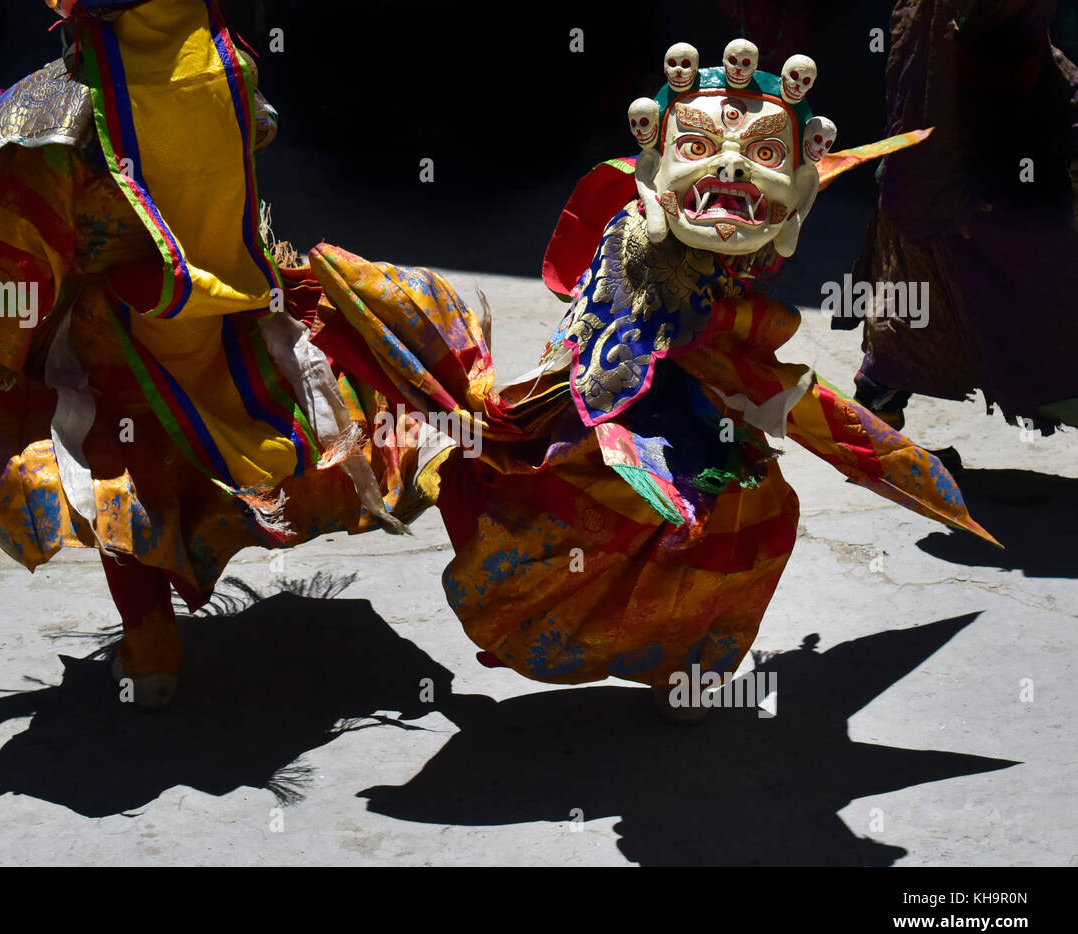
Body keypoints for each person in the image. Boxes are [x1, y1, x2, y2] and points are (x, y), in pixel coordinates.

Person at [288, 40, 996, 721]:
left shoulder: (743, 262)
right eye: (698, 149)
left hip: (711, 438)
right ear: (654, 168)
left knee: (754, 530)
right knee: (563, 530)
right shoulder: (633, 243)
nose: (734, 168)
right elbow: (604, 346)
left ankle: (685, 662)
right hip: (607, 434)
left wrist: (775, 398)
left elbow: (744, 347)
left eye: (766, 156)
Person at [0, 0, 434, 709]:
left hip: (112, 329)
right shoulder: (227, 68)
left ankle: (151, 646)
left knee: (119, 472)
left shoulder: (64, 104)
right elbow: (262, 130)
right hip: (223, 308)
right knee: (228, 440)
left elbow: (1, 170)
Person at [842, 0, 1078, 443]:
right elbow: (916, 86)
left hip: (1017, 154)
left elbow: (1036, 50)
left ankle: (880, 397)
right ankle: (876, 408)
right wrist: (941, 197)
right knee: (933, 300)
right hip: (950, 173)